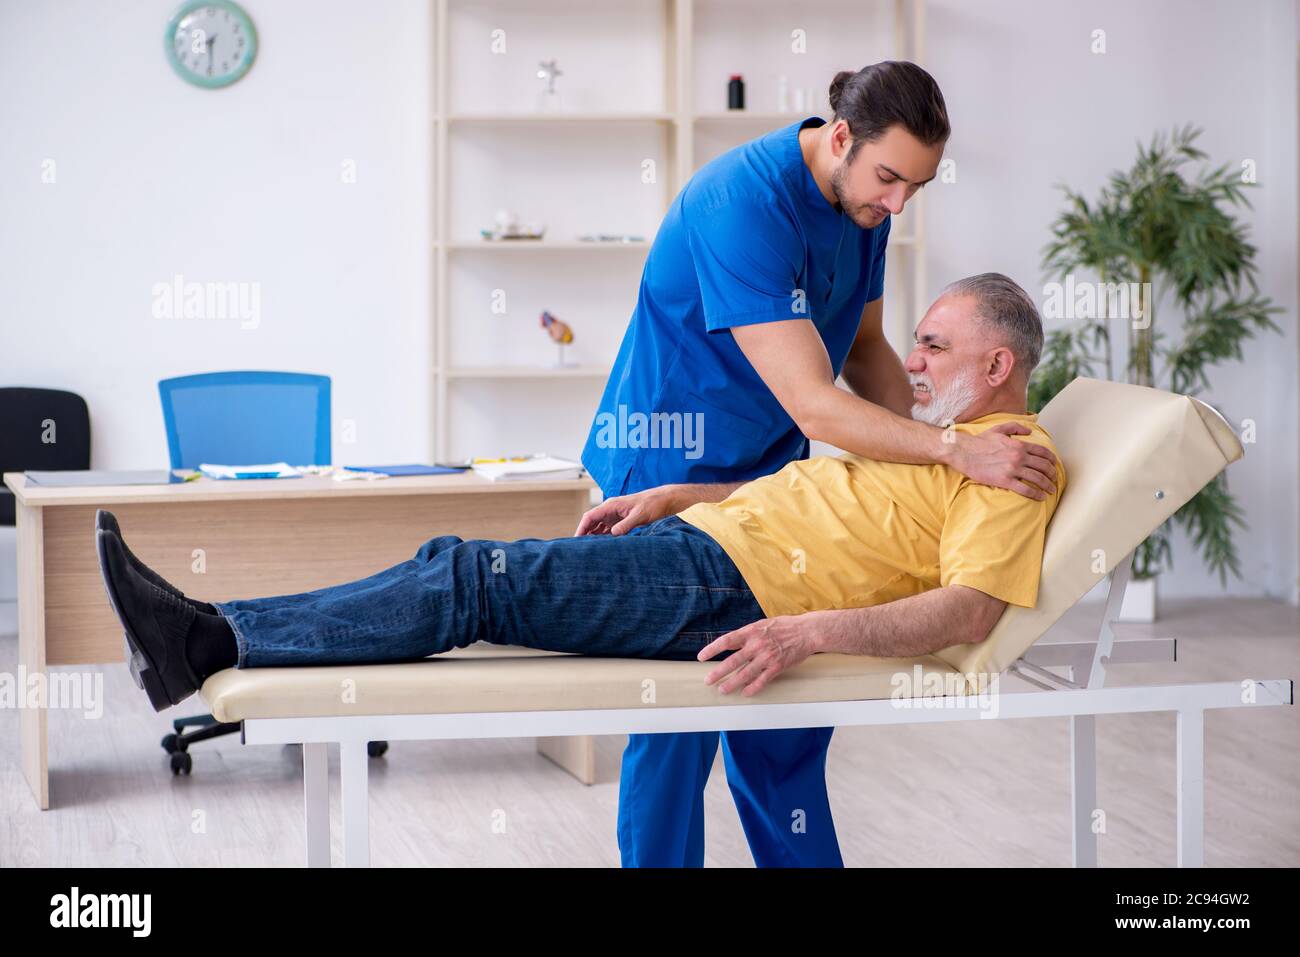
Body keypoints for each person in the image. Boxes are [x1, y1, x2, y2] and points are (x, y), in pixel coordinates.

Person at [97, 276, 1065, 807]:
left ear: (997, 363)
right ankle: (208, 636)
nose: (911, 360)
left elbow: (970, 609)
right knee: (463, 568)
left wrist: (806, 632)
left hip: (726, 590)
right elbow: (801, 490)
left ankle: (208, 639)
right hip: (704, 544)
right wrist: (672, 495)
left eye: (934, 346)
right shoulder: (932, 443)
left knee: (469, 576)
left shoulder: (1009, 461)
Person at [576, 61, 1057, 867]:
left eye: (918, 186)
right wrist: (950, 447)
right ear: (840, 138)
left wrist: (932, 466)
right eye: (890, 178)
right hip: (668, 452)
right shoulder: (740, 204)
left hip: (772, 469)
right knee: (679, 726)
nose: (899, 203)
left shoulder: (866, 202)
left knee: (787, 725)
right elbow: (815, 403)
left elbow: (865, 349)